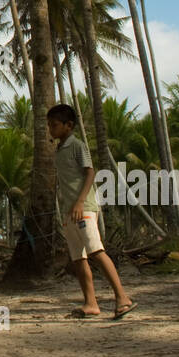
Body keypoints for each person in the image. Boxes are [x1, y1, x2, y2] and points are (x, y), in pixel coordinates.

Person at [48, 103, 135, 320]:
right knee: (78, 257)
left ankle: (122, 297)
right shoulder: (59, 149)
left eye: (55, 125)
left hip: (84, 207)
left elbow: (90, 173)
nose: (51, 129)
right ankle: (90, 303)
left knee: (96, 250)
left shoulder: (78, 146)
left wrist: (79, 203)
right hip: (69, 211)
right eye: (49, 125)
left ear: (68, 126)